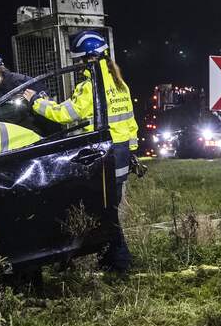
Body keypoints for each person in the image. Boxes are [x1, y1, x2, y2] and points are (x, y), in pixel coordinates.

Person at [23, 31, 139, 273]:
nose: (76, 66)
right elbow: (130, 123)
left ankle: (120, 263)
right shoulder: (120, 83)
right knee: (109, 209)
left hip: (104, 155)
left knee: (107, 213)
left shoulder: (91, 88)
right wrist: (131, 151)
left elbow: (65, 114)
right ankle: (110, 259)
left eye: (78, 61)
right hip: (120, 153)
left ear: (88, 60)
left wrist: (37, 103)